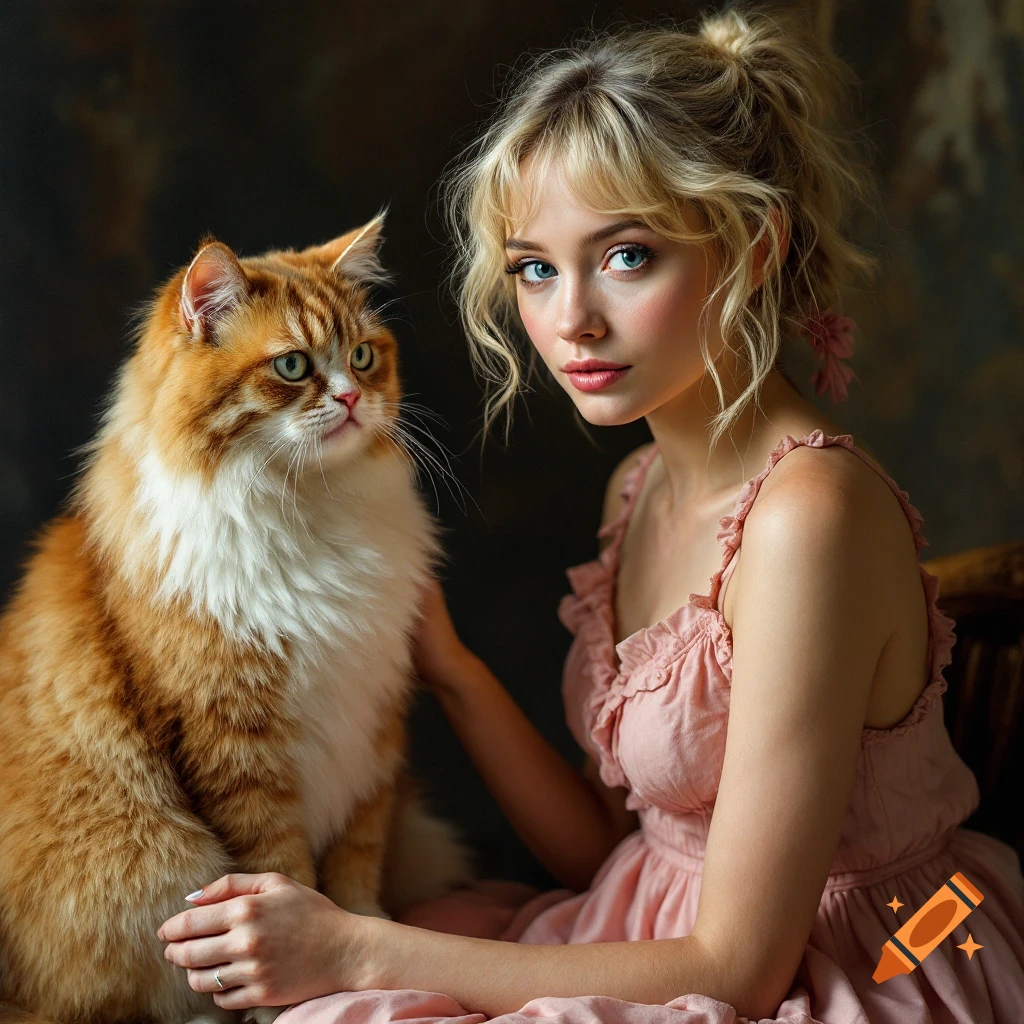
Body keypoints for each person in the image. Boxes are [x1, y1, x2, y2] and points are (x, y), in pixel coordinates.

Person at [159, 8, 1024, 1021]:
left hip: (856, 964)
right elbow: (613, 849)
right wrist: (453, 669)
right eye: (534, 267)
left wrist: (355, 950)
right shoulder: (638, 490)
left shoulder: (809, 519)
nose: (568, 318)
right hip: (654, 930)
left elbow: (739, 969)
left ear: (750, 246)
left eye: (624, 256)